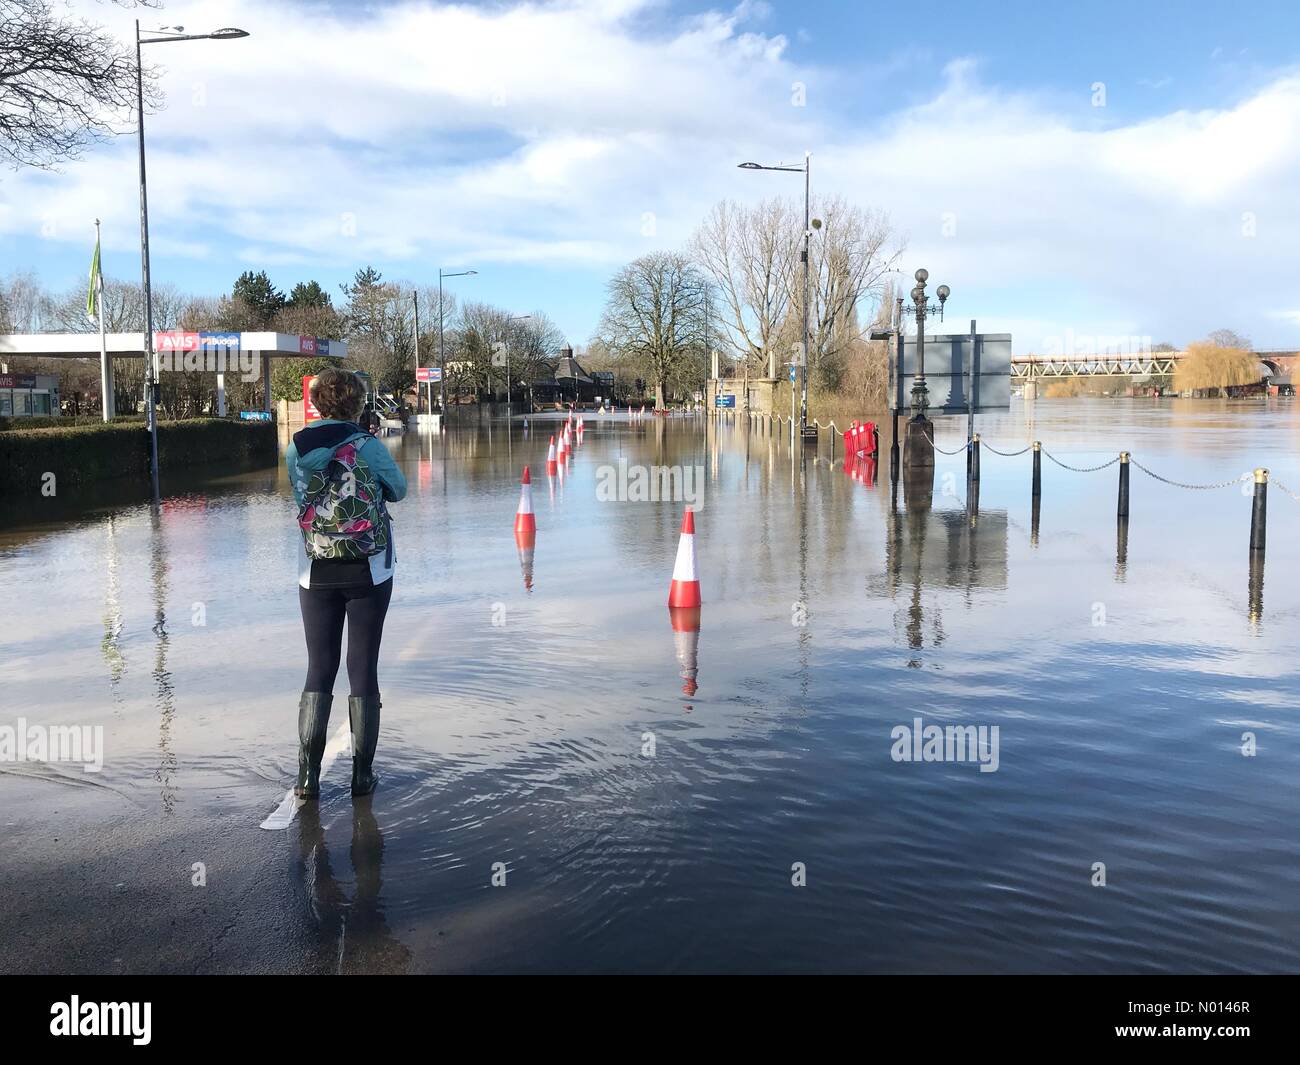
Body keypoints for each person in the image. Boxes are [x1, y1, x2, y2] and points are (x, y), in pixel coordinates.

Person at [285, 369, 407, 799]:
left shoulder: (296, 446)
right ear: (357, 404)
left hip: (314, 569)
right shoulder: (368, 445)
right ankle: (361, 776)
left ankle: (307, 777)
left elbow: (302, 497)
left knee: (319, 667)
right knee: (362, 670)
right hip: (368, 570)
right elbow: (399, 490)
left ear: (317, 403)